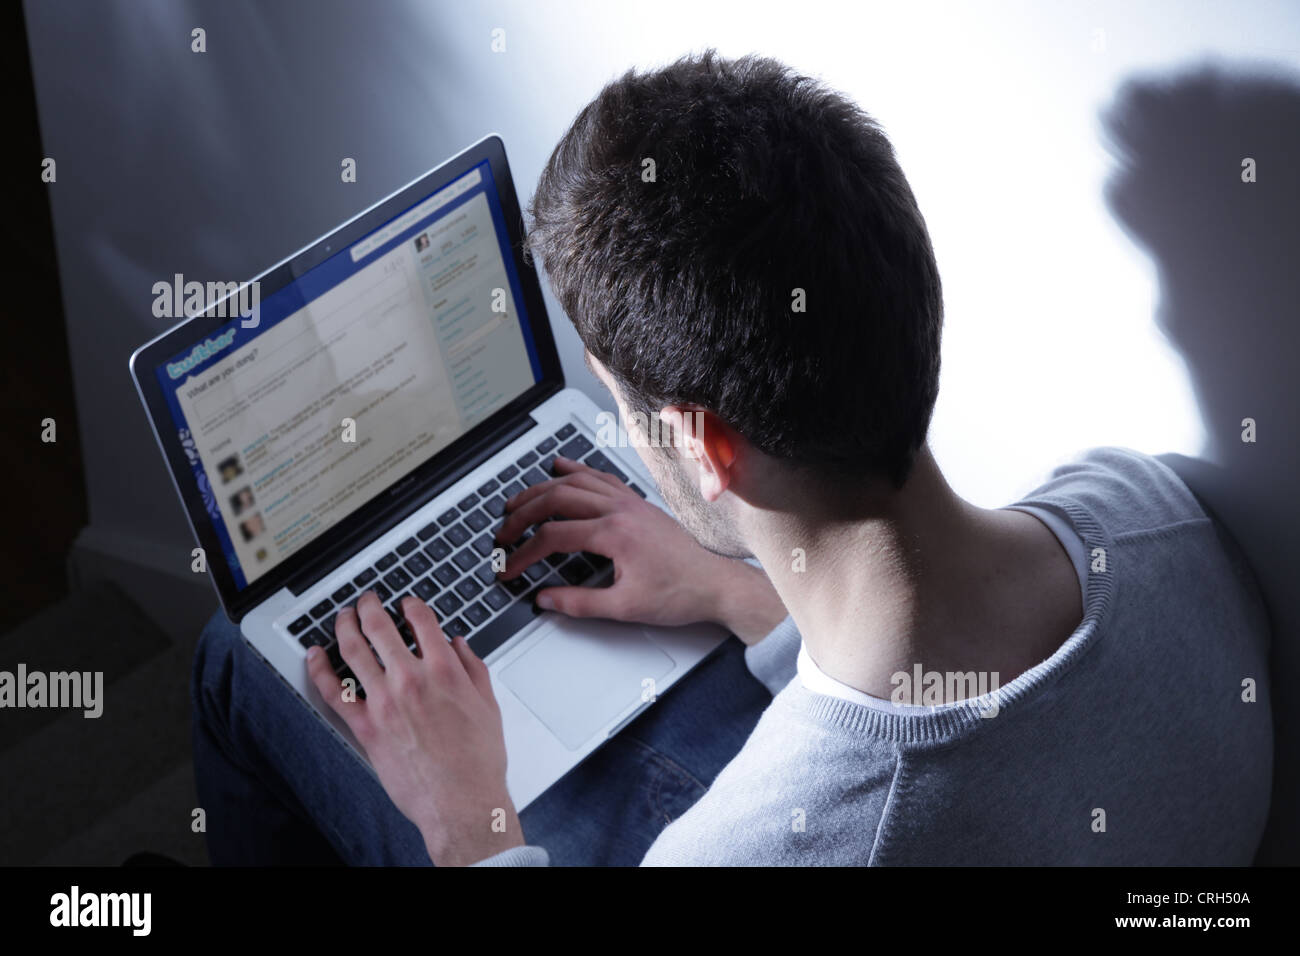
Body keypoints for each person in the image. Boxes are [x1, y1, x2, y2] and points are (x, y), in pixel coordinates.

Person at [192, 51, 1272, 866]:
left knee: (240, 661)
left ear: (704, 445)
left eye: (614, 396)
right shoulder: (1150, 509)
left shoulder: (758, 845)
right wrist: (736, 593)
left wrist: (467, 813)